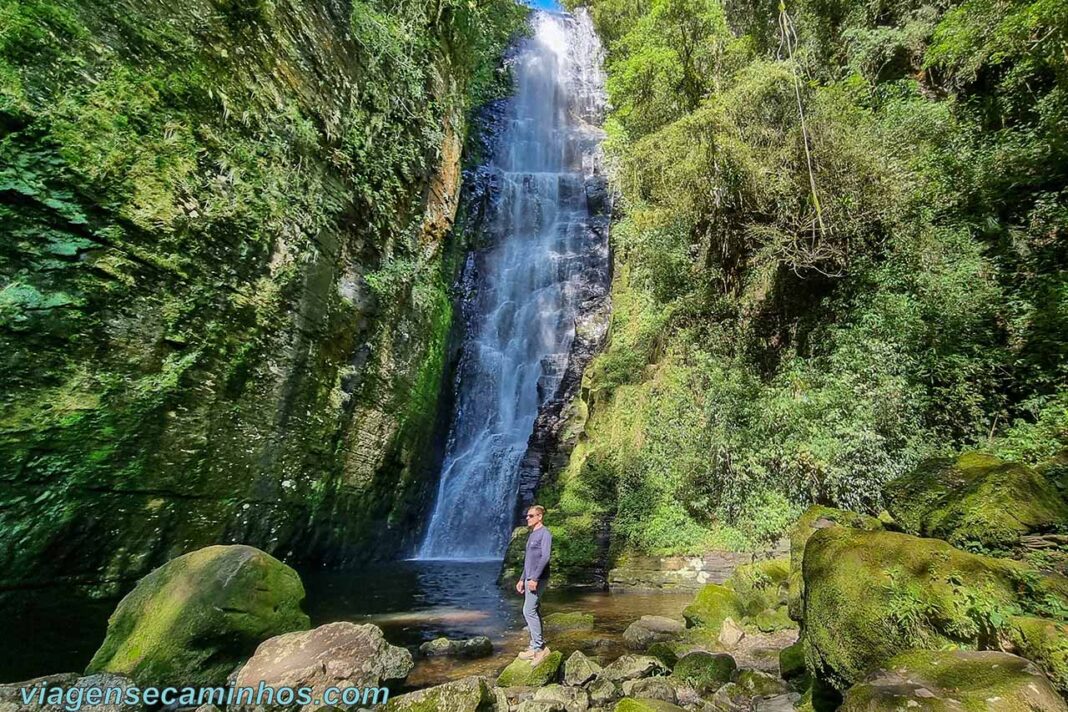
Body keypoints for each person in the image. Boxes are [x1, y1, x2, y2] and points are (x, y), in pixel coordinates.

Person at [515, 504, 552, 665]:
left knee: (528, 610)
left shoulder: (545, 534)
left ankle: (539, 650)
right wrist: (522, 579)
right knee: (534, 609)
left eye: (530, 516)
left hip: (538, 579)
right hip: (529, 578)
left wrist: (534, 578)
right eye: (527, 516)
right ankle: (534, 646)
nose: (527, 518)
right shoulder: (532, 534)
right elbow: (528, 561)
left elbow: (545, 557)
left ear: (539, 517)